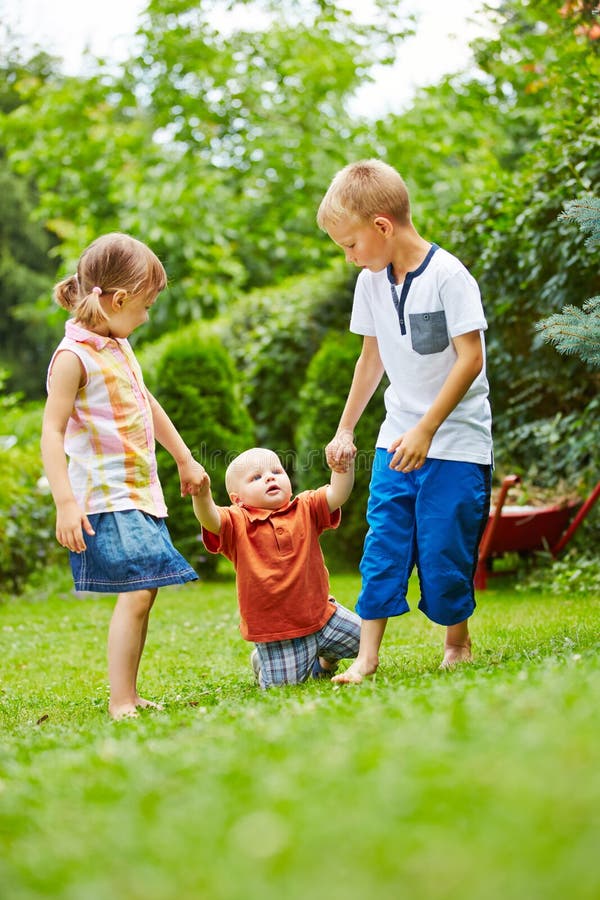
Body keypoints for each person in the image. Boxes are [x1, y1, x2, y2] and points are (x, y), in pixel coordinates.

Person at [316, 159, 493, 683]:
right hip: (397, 437)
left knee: (445, 549)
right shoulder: (371, 283)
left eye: (350, 245)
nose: (349, 258)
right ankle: (367, 659)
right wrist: (346, 428)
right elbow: (371, 360)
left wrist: (428, 429)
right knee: (384, 543)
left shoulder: (447, 276)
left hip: (455, 442)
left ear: (381, 226)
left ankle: (456, 642)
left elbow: (470, 359)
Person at [41, 232, 208, 718]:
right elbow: (51, 433)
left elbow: (144, 403)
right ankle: (120, 702)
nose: (147, 315)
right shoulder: (73, 358)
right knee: (139, 589)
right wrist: (66, 502)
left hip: (138, 490)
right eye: (146, 305)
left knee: (145, 588)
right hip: (105, 494)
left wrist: (183, 457)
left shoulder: (116, 346)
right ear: (117, 299)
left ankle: (129, 695)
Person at [191, 447, 361, 687]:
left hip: (323, 617)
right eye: (256, 477)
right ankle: (263, 659)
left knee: (367, 641)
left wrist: (343, 467)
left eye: (276, 471)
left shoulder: (306, 506)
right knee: (281, 688)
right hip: (279, 633)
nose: (270, 477)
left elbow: (338, 493)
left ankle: (325, 660)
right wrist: (201, 495)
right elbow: (210, 519)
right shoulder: (236, 522)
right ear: (237, 498)